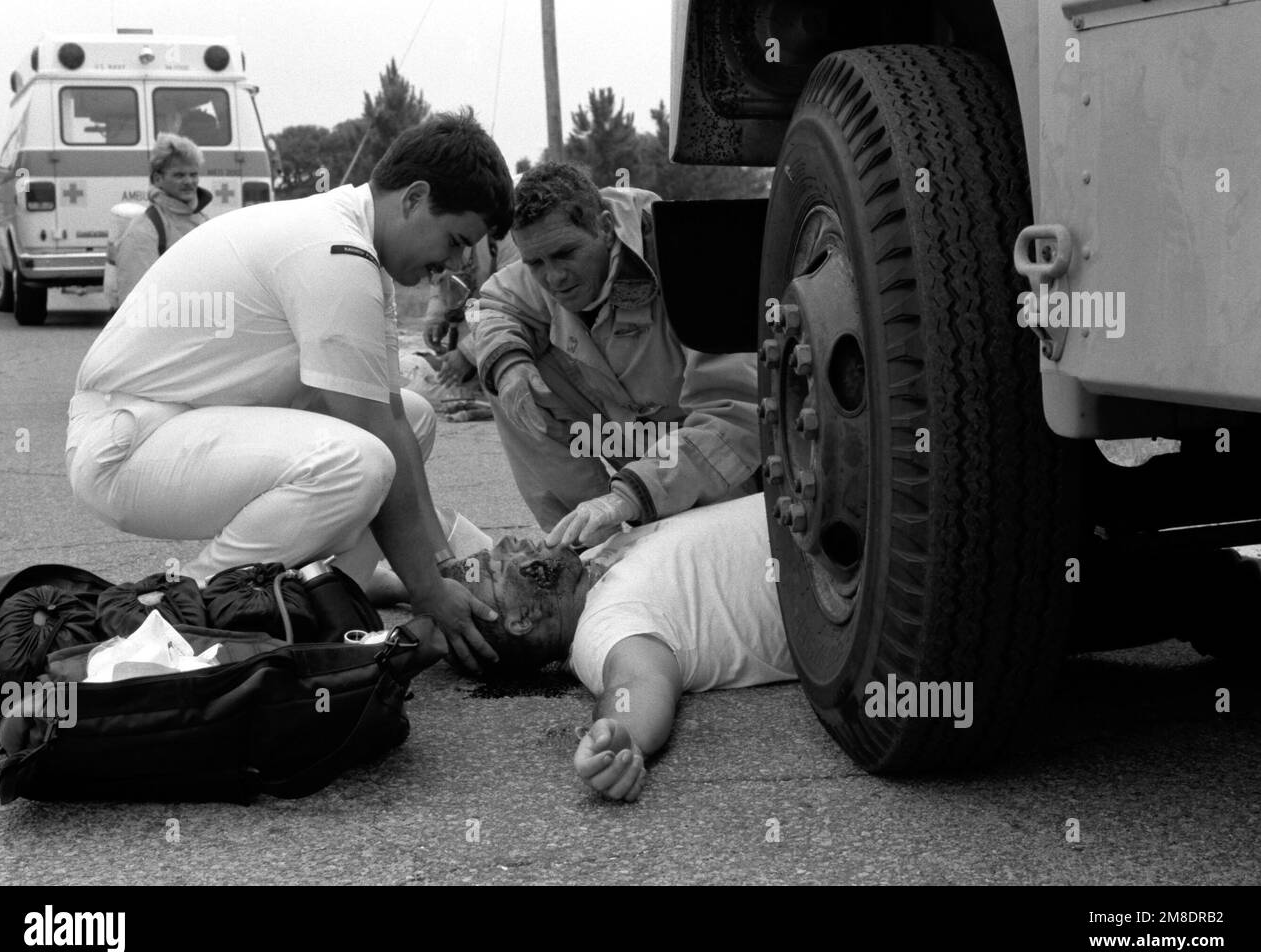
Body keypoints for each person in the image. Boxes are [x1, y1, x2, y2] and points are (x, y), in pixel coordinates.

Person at [66, 112, 512, 670]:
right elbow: (374, 438)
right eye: (455, 240)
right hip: (128, 445)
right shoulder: (334, 252)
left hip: (178, 422)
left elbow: (394, 418)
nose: (452, 263)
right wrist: (429, 592)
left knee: (414, 418)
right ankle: (188, 615)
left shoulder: (353, 242)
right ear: (415, 198)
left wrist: (442, 572)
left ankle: (320, 598)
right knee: (359, 462)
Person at [470, 162, 760, 550]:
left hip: (726, 466)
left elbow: (737, 419)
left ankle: (672, 527)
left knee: (706, 557)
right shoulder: (544, 257)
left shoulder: (695, 258)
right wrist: (509, 366)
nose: (554, 278)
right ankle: (583, 542)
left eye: (566, 254)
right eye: (536, 263)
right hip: (634, 447)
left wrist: (630, 495)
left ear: (605, 228)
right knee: (510, 372)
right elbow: (490, 306)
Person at [443, 492, 796, 801]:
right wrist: (620, 736)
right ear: (521, 620)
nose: (505, 543)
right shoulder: (602, 630)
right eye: (496, 568)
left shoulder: (586, 566)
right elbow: (637, 681)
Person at [113, 133, 213, 305]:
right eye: (179, 175)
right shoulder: (143, 231)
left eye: (193, 174)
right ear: (158, 179)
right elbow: (137, 306)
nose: (189, 181)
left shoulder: (204, 221)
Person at [423, 233, 520, 386]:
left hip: (501, 330)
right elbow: (439, 278)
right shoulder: (442, 231)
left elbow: (513, 307)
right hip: (473, 307)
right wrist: (435, 317)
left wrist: (467, 353)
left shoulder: (505, 240)